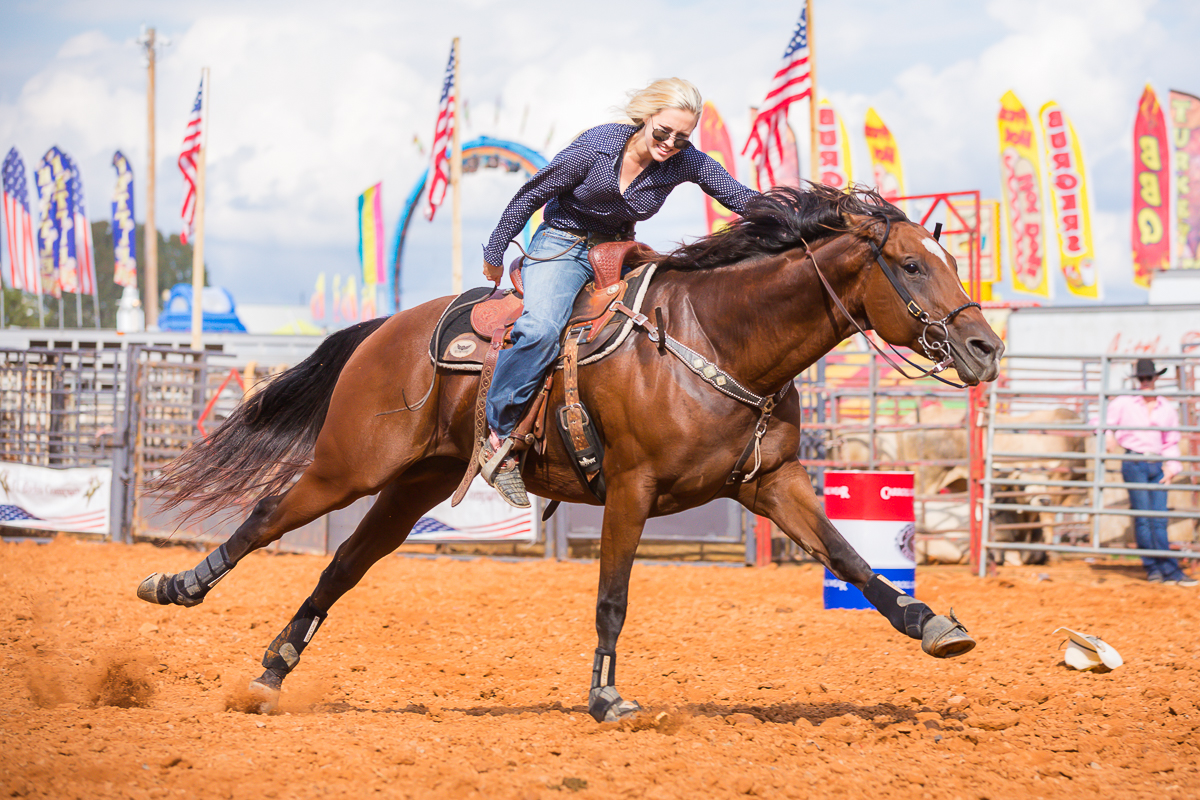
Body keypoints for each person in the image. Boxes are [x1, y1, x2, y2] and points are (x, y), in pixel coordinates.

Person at [476, 77, 759, 507]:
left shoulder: (686, 161)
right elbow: (532, 193)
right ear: (645, 118)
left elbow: (737, 196)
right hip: (562, 245)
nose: (670, 143)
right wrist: (496, 249)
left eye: (682, 138)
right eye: (663, 132)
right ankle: (497, 432)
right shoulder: (598, 145)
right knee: (540, 330)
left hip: (618, 251)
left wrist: (803, 215)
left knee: (657, 329)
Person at [1105, 358, 1196, 585]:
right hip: (1134, 462)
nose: (1145, 381)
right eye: (1142, 378)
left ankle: (1167, 569)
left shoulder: (1165, 407)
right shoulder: (1124, 402)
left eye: (1149, 377)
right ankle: (1155, 568)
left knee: (1158, 518)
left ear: (1156, 378)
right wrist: (1108, 435)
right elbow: (1104, 422)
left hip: (1157, 464)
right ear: (1138, 379)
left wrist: (1173, 466)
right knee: (1144, 518)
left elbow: (1171, 441)